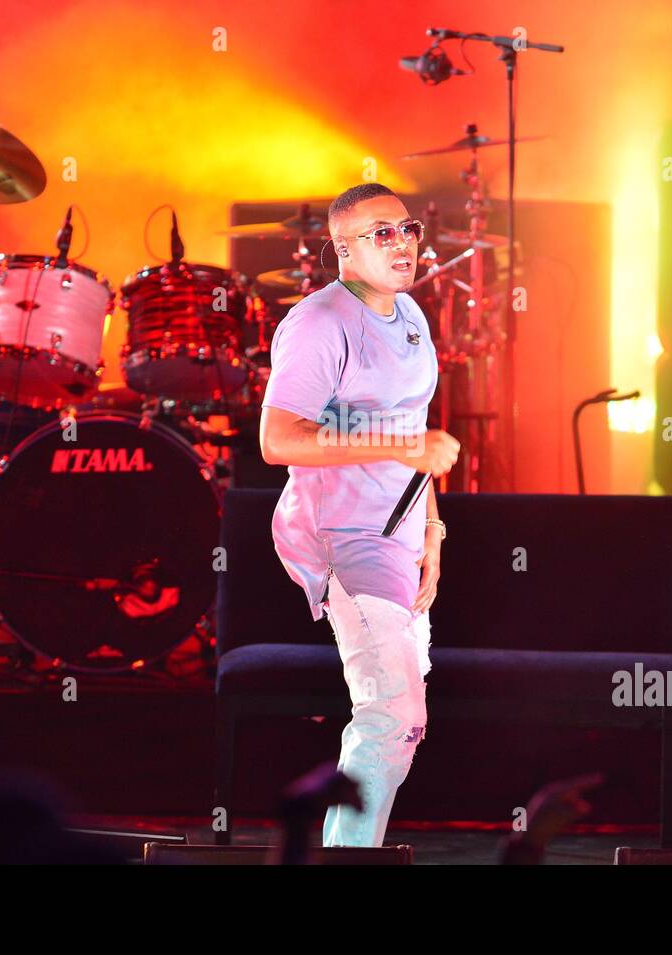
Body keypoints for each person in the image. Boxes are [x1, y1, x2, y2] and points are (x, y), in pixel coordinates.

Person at [259, 182, 460, 847]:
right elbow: (278, 439)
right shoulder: (319, 322)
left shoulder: (410, 315)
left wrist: (431, 531)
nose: (403, 243)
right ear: (343, 248)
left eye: (408, 229)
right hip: (344, 538)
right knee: (390, 712)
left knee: (405, 719)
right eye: (383, 233)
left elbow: (417, 436)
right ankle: (345, 860)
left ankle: (349, 852)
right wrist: (405, 446)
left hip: (399, 536)